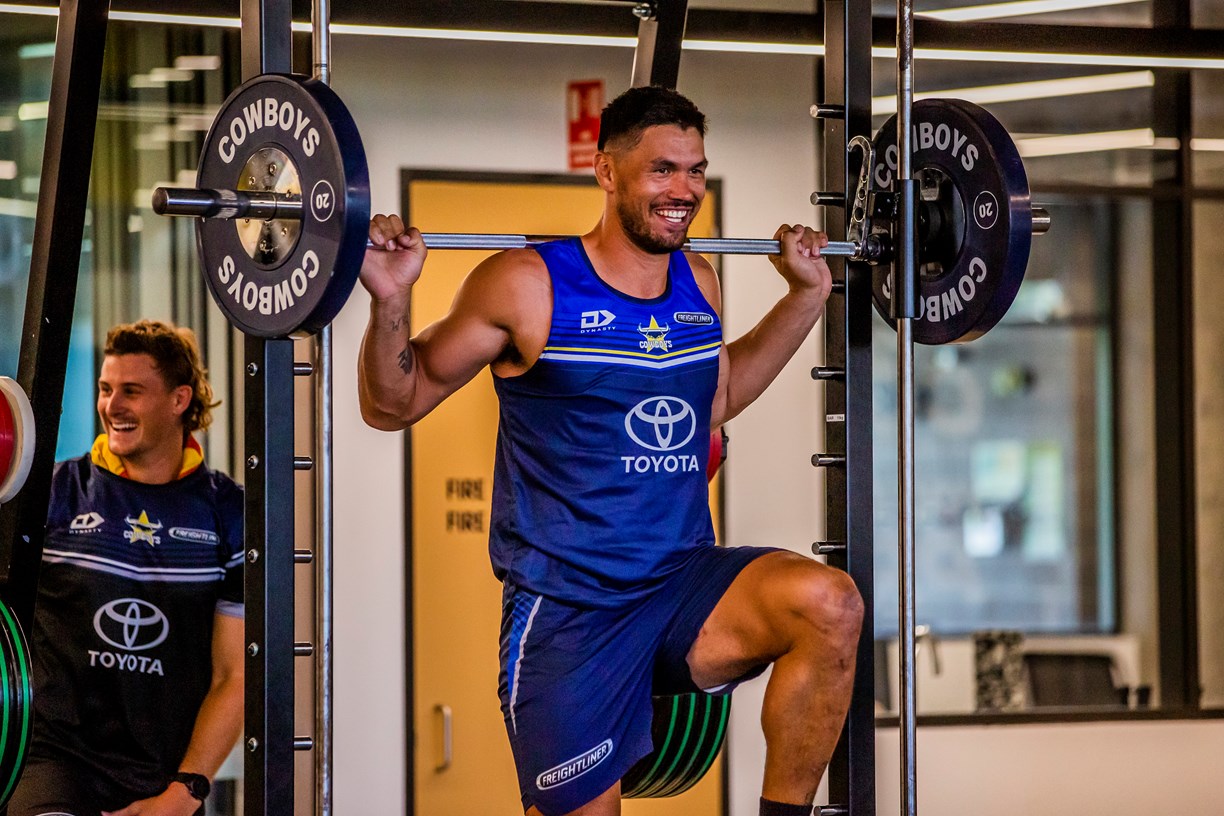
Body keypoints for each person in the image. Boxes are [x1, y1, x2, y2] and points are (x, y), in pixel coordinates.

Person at [358, 86, 864, 816]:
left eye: (695, 170)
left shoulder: (699, 281)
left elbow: (710, 404)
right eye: (662, 170)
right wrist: (390, 300)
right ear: (606, 171)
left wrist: (806, 298)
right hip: (570, 610)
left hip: (679, 583)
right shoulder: (526, 285)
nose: (683, 191)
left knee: (829, 603)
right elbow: (391, 404)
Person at [8, 320, 245, 816]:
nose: (112, 407)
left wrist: (184, 794)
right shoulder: (53, 494)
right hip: (53, 761)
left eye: (131, 391)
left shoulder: (228, 515)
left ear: (180, 400)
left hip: (162, 779)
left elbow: (233, 676)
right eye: (105, 389)